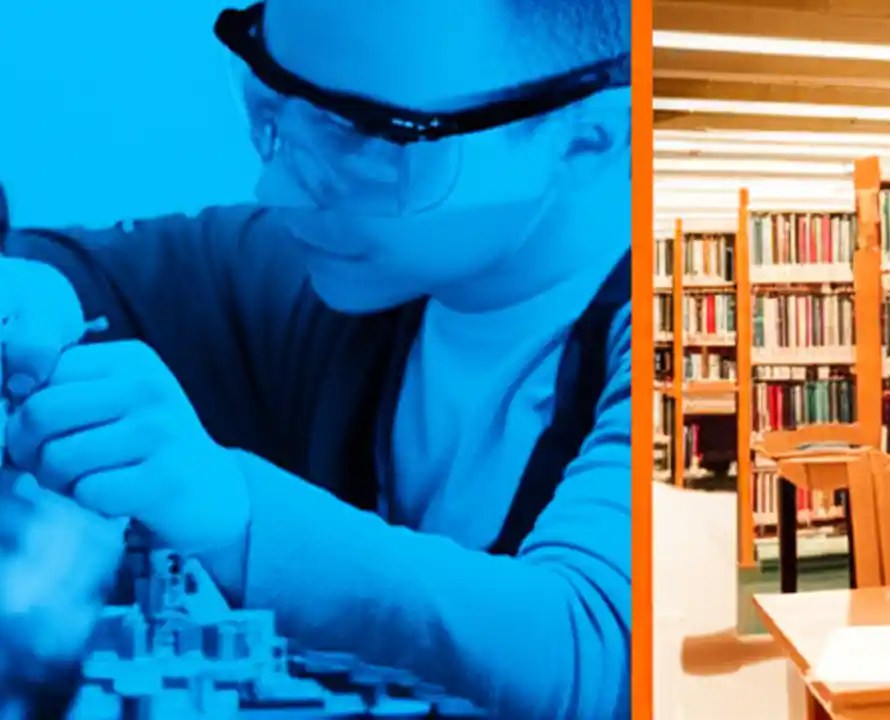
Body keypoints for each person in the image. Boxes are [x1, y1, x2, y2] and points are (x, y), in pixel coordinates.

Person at [0, 1, 632, 718]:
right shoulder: (340, 271)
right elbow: (88, 273)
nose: (277, 188)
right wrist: (29, 300)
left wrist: (232, 514)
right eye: (270, 100)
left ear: (590, 138)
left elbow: (592, 651)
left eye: (362, 137)